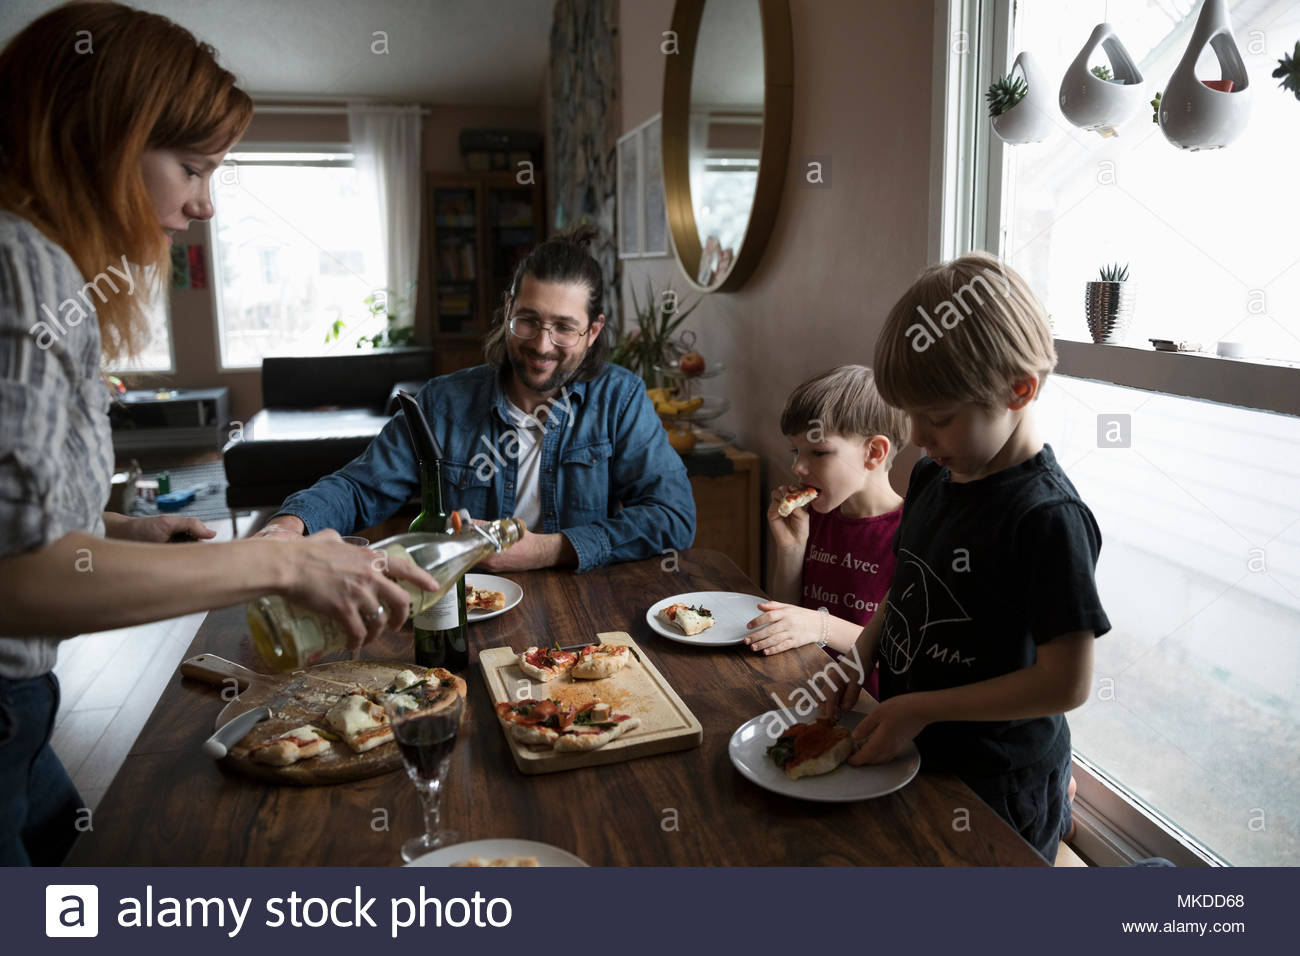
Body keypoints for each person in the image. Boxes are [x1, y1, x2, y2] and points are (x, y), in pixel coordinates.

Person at [0, 1, 436, 866]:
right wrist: (283, 559)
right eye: (194, 168)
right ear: (102, 142)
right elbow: (15, 583)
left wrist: (124, 531)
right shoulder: (24, 267)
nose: (203, 206)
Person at [823, 252, 1110, 863]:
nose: (920, 438)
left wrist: (921, 708)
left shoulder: (1047, 520)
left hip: (998, 781)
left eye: (940, 418)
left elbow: (1068, 682)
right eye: (912, 417)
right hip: (922, 748)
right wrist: (861, 653)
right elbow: (906, 586)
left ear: (1019, 389)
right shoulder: (933, 476)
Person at [258, 227, 697, 573]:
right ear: (508, 311)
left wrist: (546, 550)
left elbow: (673, 518)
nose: (543, 346)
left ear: (593, 332)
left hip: (583, 616)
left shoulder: (620, 399)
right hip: (468, 611)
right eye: (528, 320)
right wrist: (288, 525)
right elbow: (359, 487)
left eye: (564, 328)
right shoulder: (442, 403)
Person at [745, 366, 907, 700]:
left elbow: (900, 649)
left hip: (867, 705)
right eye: (796, 451)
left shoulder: (913, 533)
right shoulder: (817, 517)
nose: (798, 468)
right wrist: (791, 549)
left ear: (874, 453)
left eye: (818, 453)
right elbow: (787, 613)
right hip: (800, 687)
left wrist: (821, 626)